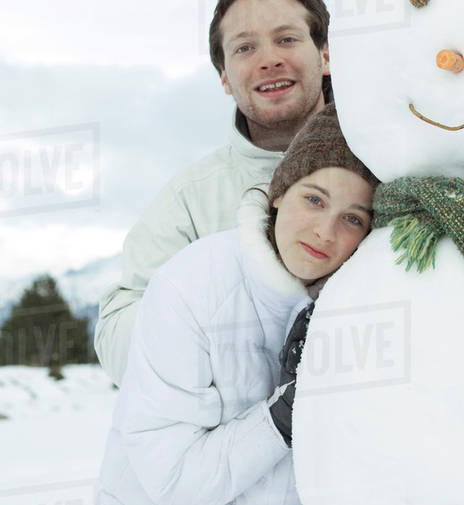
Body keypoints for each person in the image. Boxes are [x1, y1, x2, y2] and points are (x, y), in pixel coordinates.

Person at [98, 104, 379, 505]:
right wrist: (284, 415)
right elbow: (172, 480)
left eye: (352, 219)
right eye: (314, 200)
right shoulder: (191, 286)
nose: (324, 231)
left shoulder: (357, 306)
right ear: (279, 192)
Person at [95, 0, 333, 384]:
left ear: (326, 55)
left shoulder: (389, 161)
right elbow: (118, 330)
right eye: (244, 48)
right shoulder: (190, 199)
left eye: (287, 39)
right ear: (224, 76)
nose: (269, 59)